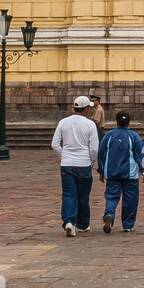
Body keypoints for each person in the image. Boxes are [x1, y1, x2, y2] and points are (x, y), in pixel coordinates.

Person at [51, 95, 100, 236]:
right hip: (83, 163)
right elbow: (94, 148)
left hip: (66, 164)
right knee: (83, 196)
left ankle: (69, 221)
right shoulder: (90, 124)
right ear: (85, 109)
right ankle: (83, 224)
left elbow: (54, 144)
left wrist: (63, 156)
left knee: (68, 194)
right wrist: (91, 161)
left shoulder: (63, 122)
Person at [98, 111, 144, 233]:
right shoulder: (133, 136)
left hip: (112, 172)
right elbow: (143, 153)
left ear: (116, 121)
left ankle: (109, 214)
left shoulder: (109, 135)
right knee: (130, 199)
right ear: (129, 122)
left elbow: (101, 153)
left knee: (111, 196)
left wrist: (101, 170)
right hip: (130, 174)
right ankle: (128, 224)